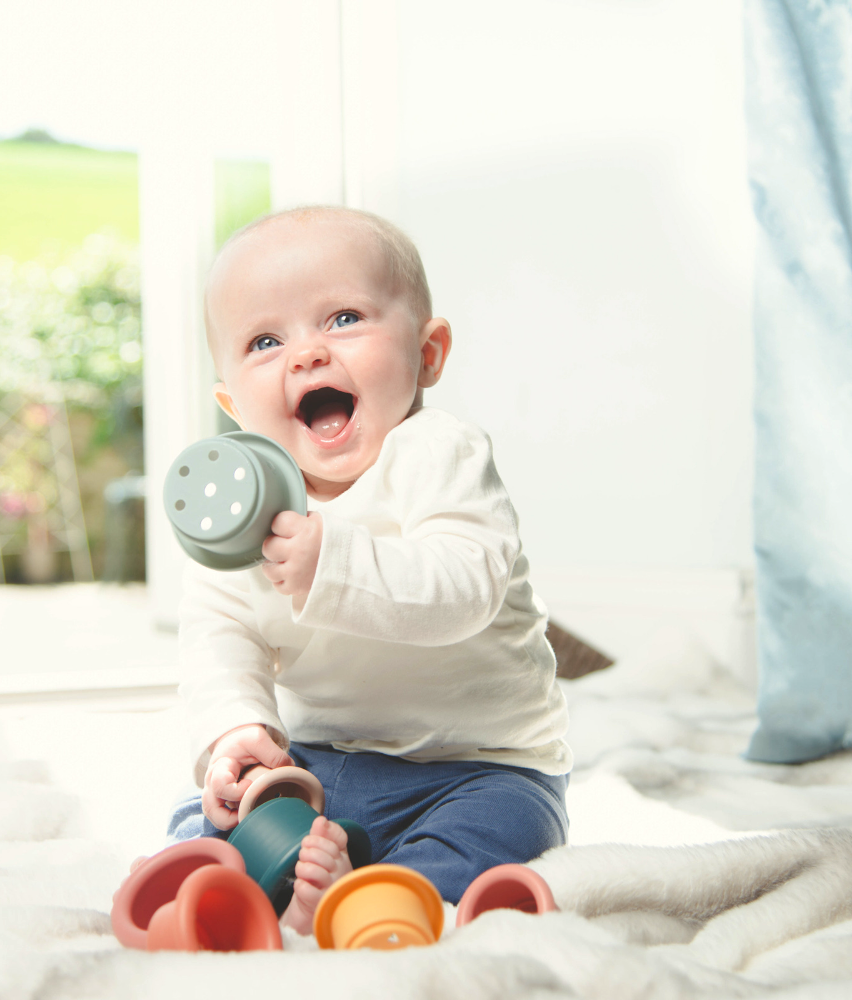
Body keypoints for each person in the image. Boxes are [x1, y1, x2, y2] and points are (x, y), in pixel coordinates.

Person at [167, 206, 572, 935]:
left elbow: (464, 586)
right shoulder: (245, 514)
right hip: (323, 762)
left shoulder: (439, 455)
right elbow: (217, 634)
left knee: (501, 838)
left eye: (344, 319)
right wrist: (236, 731)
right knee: (214, 815)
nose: (307, 356)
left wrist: (334, 561)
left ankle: (375, 897)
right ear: (232, 406)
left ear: (429, 352)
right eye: (265, 340)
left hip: (479, 765)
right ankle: (235, 885)